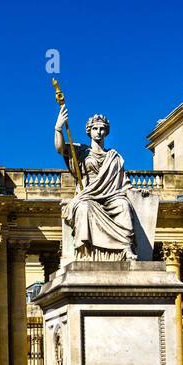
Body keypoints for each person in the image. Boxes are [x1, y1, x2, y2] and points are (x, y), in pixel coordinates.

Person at [54, 104, 136, 260]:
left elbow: (124, 183)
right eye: (95, 128)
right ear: (89, 131)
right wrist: (58, 128)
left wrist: (137, 192)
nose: (99, 132)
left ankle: (126, 248)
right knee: (84, 207)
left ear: (106, 132)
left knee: (123, 205)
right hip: (88, 195)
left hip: (111, 195)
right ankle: (85, 251)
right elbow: (60, 149)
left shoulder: (113, 156)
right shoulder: (80, 151)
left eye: (102, 128)